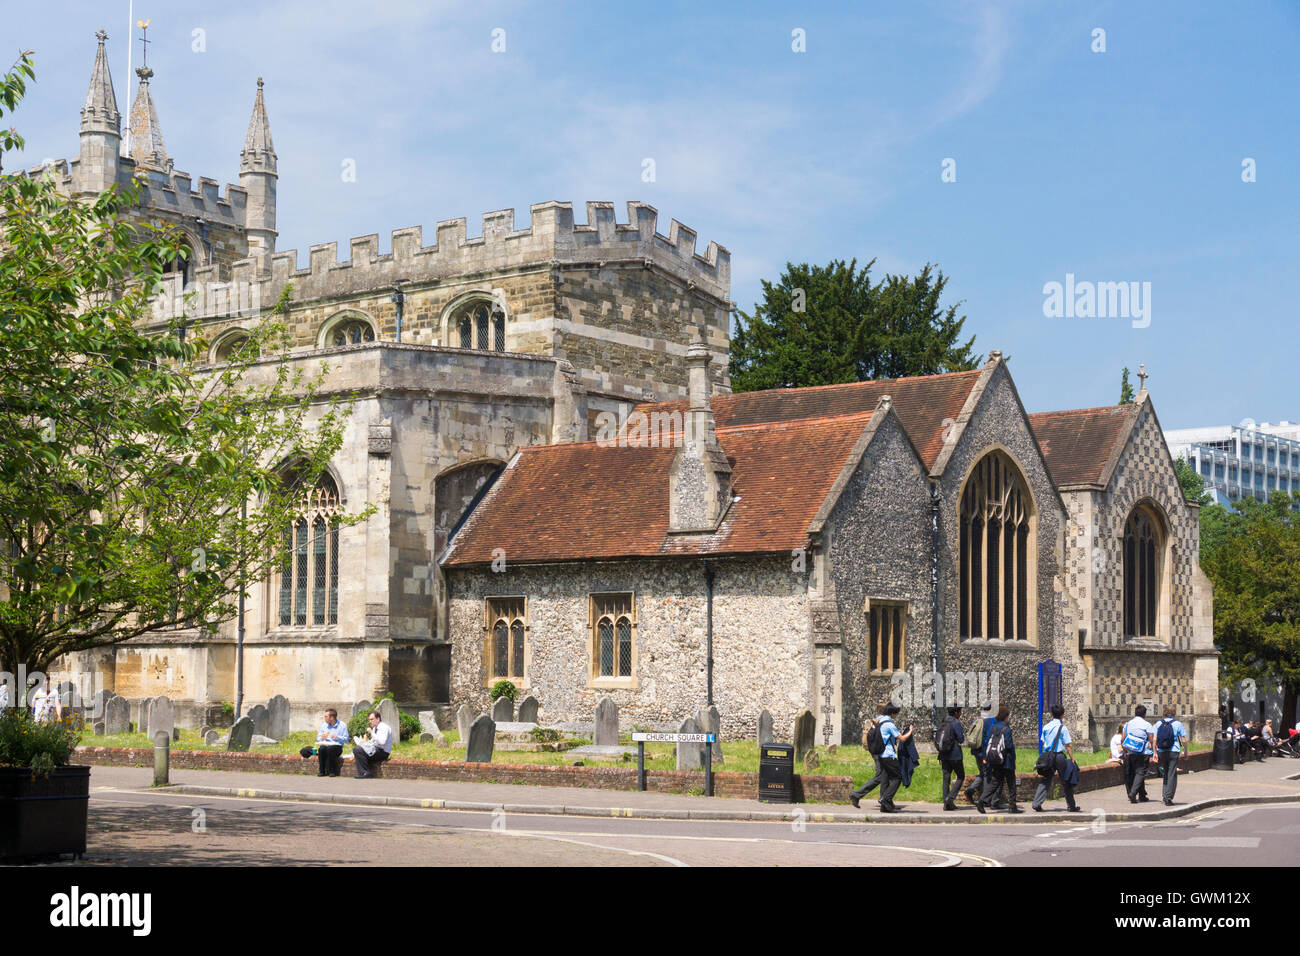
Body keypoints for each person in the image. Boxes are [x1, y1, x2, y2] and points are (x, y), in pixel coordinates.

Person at [1032, 704, 1080, 812]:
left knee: (1046, 780)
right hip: (1059, 756)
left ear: (1052, 714)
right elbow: (1067, 745)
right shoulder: (1063, 728)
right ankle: (1071, 806)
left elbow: (1043, 741)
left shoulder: (1046, 727)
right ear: (1062, 715)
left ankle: (1036, 803)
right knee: (1066, 780)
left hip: (1048, 755)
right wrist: (1072, 758)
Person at [977, 703, 1022, 814]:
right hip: (1007, 760)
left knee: (994, 783)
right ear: (1005, 716)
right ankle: (1012, 807)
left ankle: (981, 801)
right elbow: (1009, 746)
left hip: (996, 760)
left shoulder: (993, 728)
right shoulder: (1006, 729)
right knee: (1011, 784)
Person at [849, 702, 889, 808]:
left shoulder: (875, 721)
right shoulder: (881, 721)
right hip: (880, 752)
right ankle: (856, 795)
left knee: (885, 775)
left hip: (876, 751)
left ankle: (884, 800)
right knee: (881, 776)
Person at [875, 703, 913, 813]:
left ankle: (885, 806)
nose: (896, 716)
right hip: (889, 755)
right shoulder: (889, 724)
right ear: (892, 713)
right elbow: (902, 738)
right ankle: (885, 799)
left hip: (881, 755)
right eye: (896, 714)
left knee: (885, 779)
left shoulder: (880, 722)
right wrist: (910, 731)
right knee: (898, 777)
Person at [1121, 705, 1155, 803]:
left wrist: (1125, 751)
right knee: (1140, 773)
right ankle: (1133, 794)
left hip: (1131, 752)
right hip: (1143, 753)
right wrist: (1154, 752)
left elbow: (1123, 739)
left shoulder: (1128, 724)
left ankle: (1142, 795)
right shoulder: (1147, 724)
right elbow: (1151, 739)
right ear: (1144, 714)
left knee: (1137, 774)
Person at [1153, 705, 1187, 806]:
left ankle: (1164, 795)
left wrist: (1155, 752)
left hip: (1162, 751)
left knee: (1166, 773)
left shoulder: (1158, 723)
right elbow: (1183, 740)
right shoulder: (1178, 724)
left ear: (1164, 712)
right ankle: (1168, 798)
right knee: (1172, 774)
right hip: (1174, 751)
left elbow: (1154, 739)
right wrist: (1185, 751)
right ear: (1174, 713)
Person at [963, 702, 996, 804]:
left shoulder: (976, 719)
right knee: (987, 775)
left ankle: (970, 790)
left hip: (976, 751)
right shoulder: (990, 721)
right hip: (985, 751)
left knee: (983, 773)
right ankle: (985, 800)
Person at [937, 706, 966, 811]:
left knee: (946, 779)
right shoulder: (955, 723)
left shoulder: (943, 721)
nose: (961, 714)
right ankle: (950, 798)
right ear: (956, 713)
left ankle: (946, 803)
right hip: (954, 755)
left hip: (943, 754)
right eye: (960, 712)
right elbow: (961, 739)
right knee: (961, 776)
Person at [352, 710, 393, 778]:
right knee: (357, 749)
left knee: (358, 750)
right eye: (369, 720)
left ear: (378, 719)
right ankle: (364, 773)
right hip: (376, 749)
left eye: (372, 719)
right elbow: (374, 741)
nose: (370, 721)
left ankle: (366, 773)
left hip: (383, 752)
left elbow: (382, 742)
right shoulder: (375, 728)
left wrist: (371, 733)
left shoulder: (384, 727)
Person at [315, 708, 350, 777]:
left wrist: (338, 737)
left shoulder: (342, 725)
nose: (324, 718)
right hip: (326, 744)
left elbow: (346, 739)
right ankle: (321, 771)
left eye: (326, 716)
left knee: (330, 749)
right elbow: (318, 738)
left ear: (332, 717)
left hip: (337, 746)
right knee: (321, 749)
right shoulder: (324, 725)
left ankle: (332, 771)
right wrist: (321, 738)